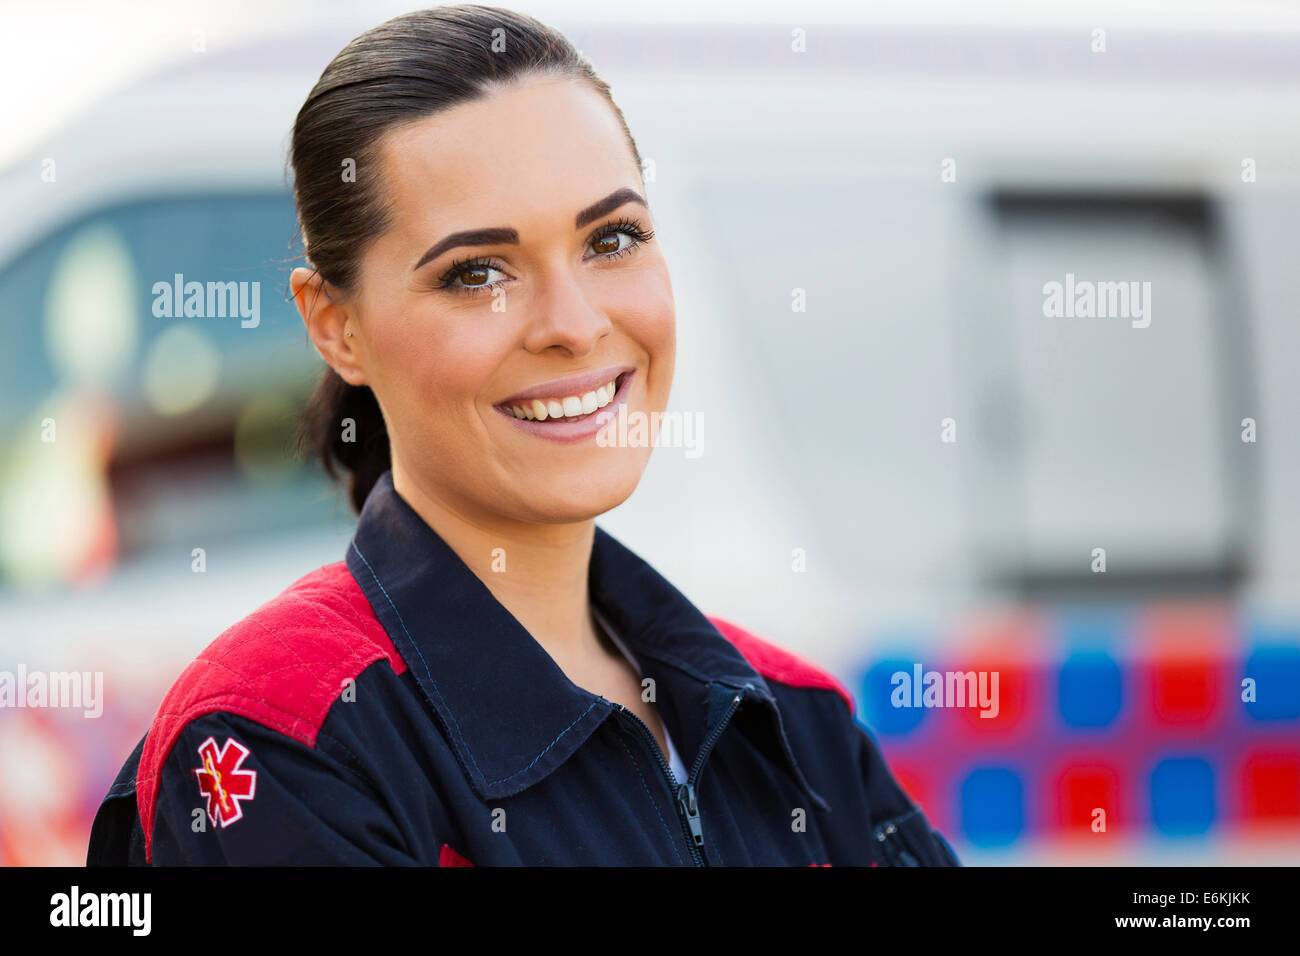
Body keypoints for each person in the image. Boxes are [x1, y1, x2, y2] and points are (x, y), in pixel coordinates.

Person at [87, 4, 960, 866]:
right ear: (335, 325)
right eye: (477, 273)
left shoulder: (795, 721)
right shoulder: (278, 742)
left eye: (612, 238)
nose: (573, 325)